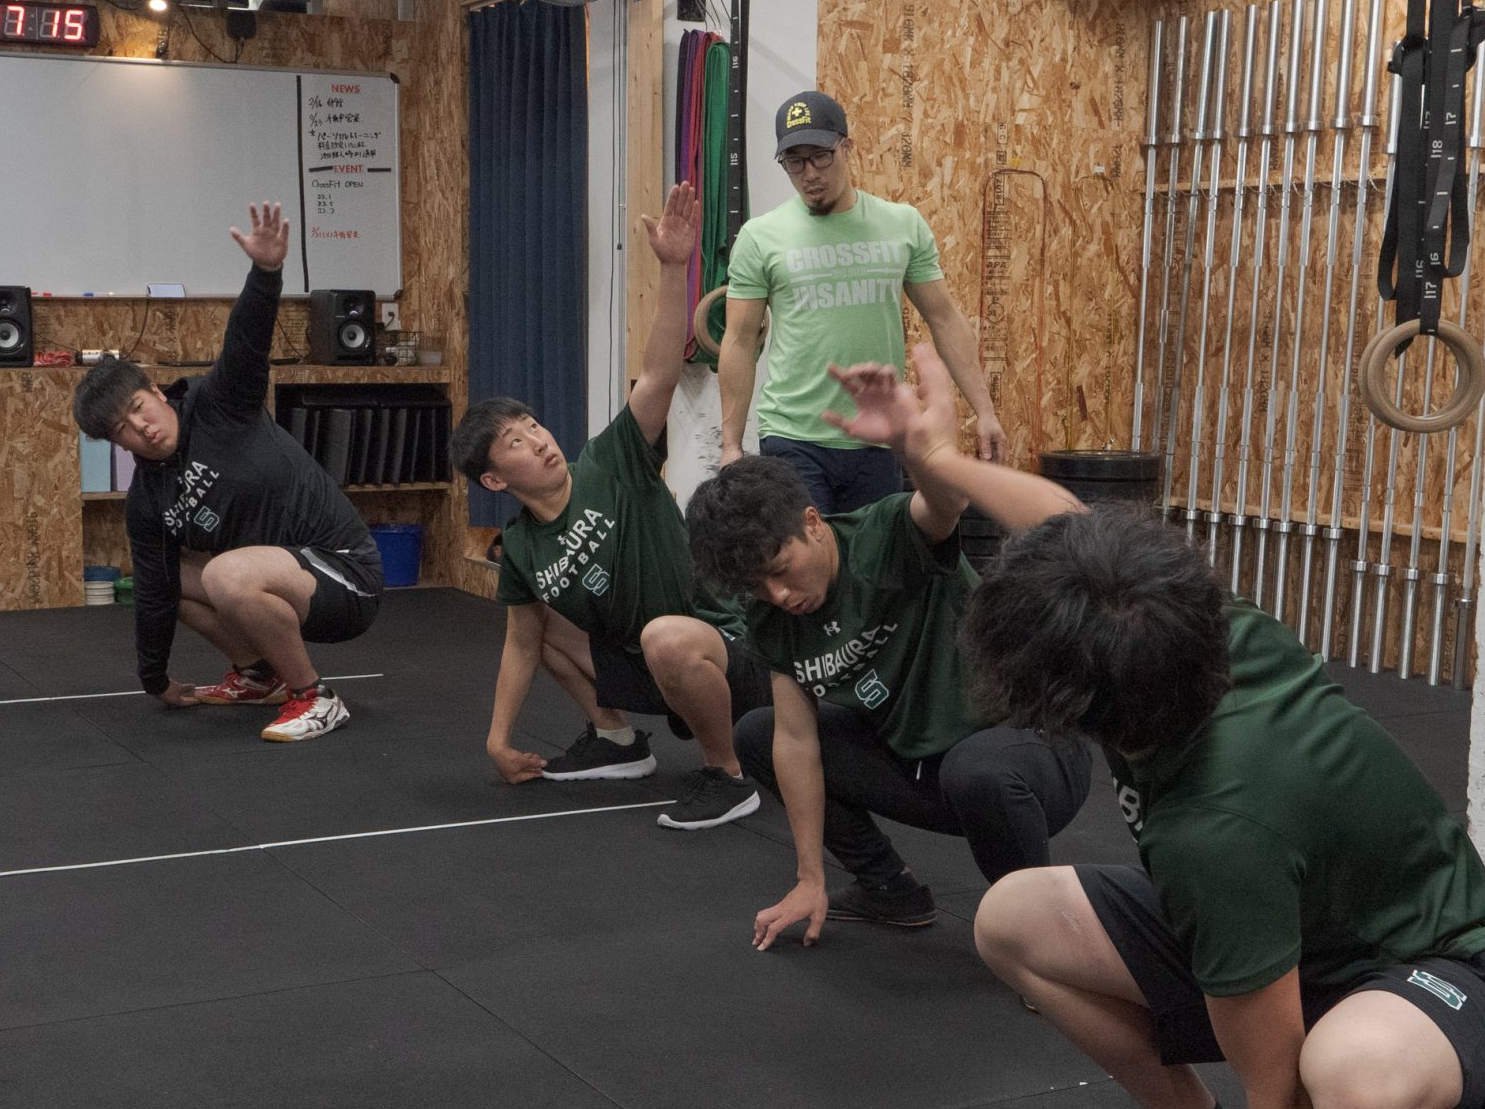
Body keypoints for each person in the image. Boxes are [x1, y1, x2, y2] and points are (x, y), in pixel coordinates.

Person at [859, 363, 1485, 1109]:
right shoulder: (1194, 631)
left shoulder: (1215, 827)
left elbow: (1280, 1087)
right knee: (1014, 921)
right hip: (1291, 923)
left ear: (1065, 702)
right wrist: (935, 459)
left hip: (1439, 965)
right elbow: (1069, 525)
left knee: (1346, 1092)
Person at [685, 347, 1091, 946]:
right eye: (755, 587)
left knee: (977, 772)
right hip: (925, 766)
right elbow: (796, 740)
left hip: (1033, 753)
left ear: (813, 521)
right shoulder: (771, 617)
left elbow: (942, 508)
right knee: (758, 733)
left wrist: (922, 453)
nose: (777, 594)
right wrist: (808, 876)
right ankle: (887, 889)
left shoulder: (883, 537)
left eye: (781, 567)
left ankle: (1045, 937)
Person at [451, 181, 771, 830]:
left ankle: (727, 773)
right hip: (650, 662)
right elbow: (519, 646)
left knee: (664, 635)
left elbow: (655, 373)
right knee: (539, 626)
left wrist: (675, 267)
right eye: (513, 441)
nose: (537, 439)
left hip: (725, 646)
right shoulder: (524, 549)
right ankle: (616, 739)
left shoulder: (610, 459)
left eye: (532, 425)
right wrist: (497, 736)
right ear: (492, 480)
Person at [71, 202, 382, 744]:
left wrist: (266, 272)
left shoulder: (221, 404)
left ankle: (315, 697)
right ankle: (258, 674)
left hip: (343, 577)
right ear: (114, 443)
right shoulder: (148, 500)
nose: (141, 427)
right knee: (173, 580)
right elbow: (151, 592)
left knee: (222, 574)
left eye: (140, 407)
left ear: (158, 393)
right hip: (275, 586)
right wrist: (155, 679)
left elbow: (246, 340)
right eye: (122, 428)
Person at [715, 90, 1005, 513]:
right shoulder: (761, 237)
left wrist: (985, 411)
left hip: (879, 437)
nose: (809, 173)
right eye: (794, 162)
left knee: (872, 572)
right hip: (793, 437)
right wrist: (730, 445)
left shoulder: (901, 225)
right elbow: (739, 342)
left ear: (847, 147)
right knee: (811, 570)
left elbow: (944, 319)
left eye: (820, 157)